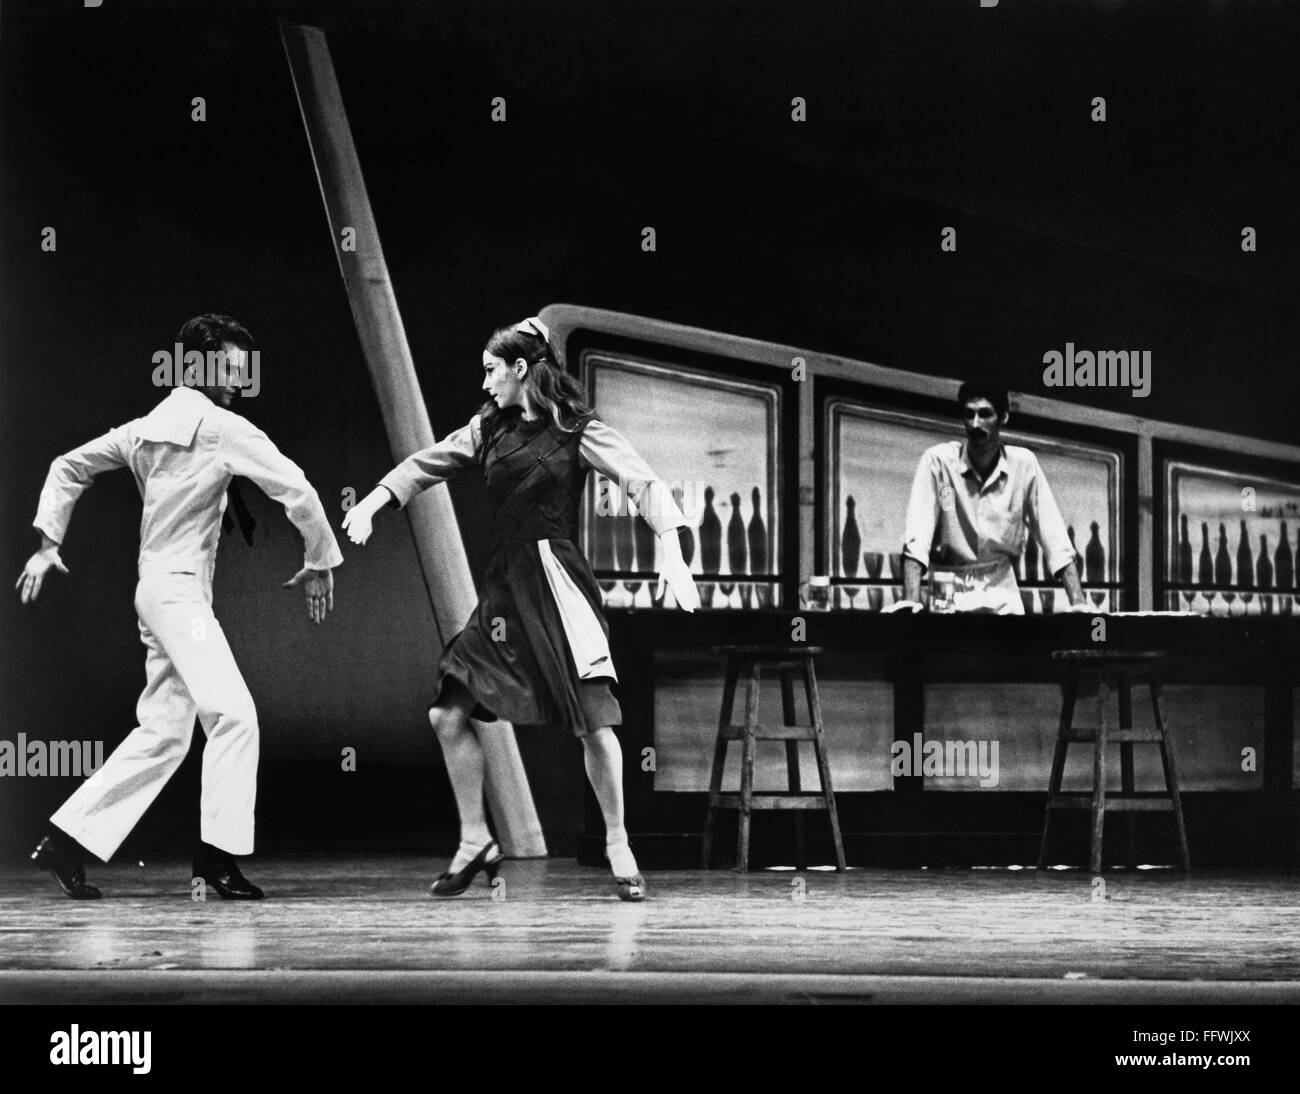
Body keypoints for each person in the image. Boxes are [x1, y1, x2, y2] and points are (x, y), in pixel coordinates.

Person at [342, 317, 698, 901]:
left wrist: (671, 547)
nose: (485, 385)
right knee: (447, 713)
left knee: (594, 721)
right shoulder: (488, 428)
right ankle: (474, 839)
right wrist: (378, 499)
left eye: (491, 371)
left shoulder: (578, 430)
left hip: (558, 586)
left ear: (521, 369)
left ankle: (617, 841)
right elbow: (428, 462)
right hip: (505, 589)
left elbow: (644, 481)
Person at [17, 314, 342, 900]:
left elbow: (67, 466)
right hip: (179, 595)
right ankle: (215, 858)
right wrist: (320, 560)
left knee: (166, 731)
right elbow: (297, 488)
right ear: (200, 364)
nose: (242, 379)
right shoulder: (221, 428)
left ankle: (64, 841)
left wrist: (48, 543)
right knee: (235, 717)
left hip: (155, 591)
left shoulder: (144, 428)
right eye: (234, 365)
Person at [888, 378, 1088, 615]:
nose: (975, 424)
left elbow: (1055, 539)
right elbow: (917, 538)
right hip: (947, 582)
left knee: (1011, 651)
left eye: (985, 414)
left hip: (1000, 587)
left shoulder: (1023, 466)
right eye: (969, 414)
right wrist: (910, 602)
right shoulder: (938, 462)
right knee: (945, 650)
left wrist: (1079, 604)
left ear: (1003, 417)